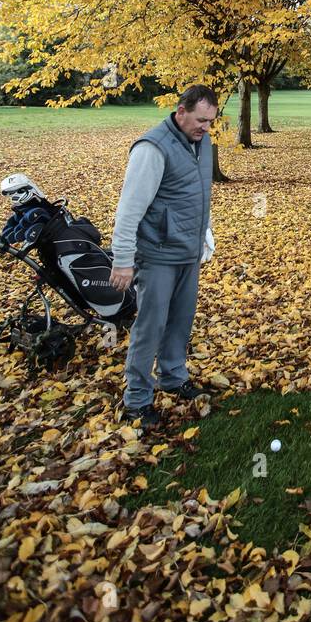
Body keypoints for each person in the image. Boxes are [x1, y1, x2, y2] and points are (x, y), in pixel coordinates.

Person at [109, 85, 218, 427]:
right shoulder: (152, 148)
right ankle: (137, 400)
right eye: (201, 120)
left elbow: (198, 196)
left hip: (188, 251)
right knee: (150, 326)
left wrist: (205, 236)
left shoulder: (204, 144)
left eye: (211, 121)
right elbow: (128, 210)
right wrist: (123, 259)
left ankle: (173, 377)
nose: (206, 127)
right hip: (157, 254)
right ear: (181, 111)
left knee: (181, 320)